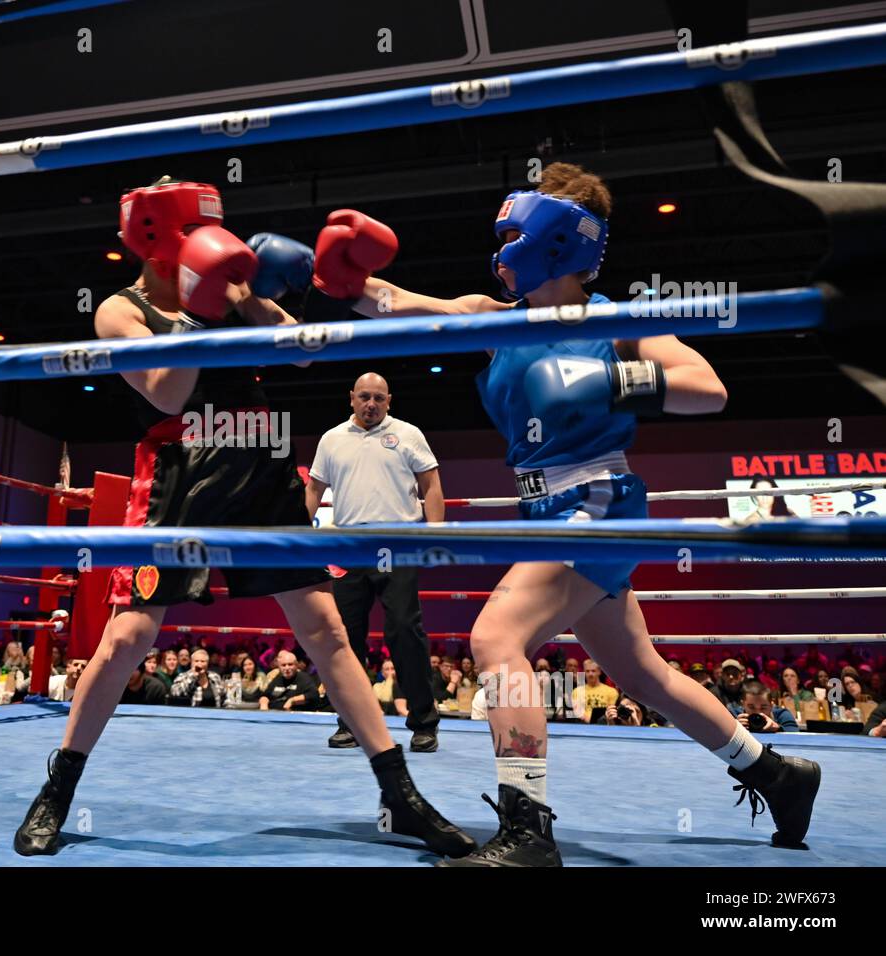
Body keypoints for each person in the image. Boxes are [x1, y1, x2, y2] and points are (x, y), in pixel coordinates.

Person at [309, 162, 820, 865]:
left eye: (514, 231)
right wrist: (345, 281)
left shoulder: (615, 322)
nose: (502, 247)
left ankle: (528, 831)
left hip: (599, 500)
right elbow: (400, 303)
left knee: (495, 639)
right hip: (545, 507)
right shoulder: (494, 321)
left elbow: (709, 388)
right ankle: (775, 772)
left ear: (557, 241)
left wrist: (612, 377)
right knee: (640, 673)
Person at [14, 178, 472, 860]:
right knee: (127, 639)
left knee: (324, 628)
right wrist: (199, 312)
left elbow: (302, 343)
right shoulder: (120, 310)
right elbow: (168, 391)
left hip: (259, 456)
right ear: (154, 235)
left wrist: (268, 289)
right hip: (180, 470)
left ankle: (399, 796)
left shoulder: (230, 287)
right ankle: (56, 791)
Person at [306, 371, 444, 753]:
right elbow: (314, 489)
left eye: (378, 398)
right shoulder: (331, 439)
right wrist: (302, 540)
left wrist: (436, 536)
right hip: (350, 543)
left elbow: (431, 486)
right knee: (345, 637)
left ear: (389, 400)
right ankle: (350, 722)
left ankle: (424, 723)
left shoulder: (408, 434)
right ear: (351, 398)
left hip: (397, 541)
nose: (371, 404)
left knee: (404, 629)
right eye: (364, 397)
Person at [730, 680, 798, 733]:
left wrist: (778, 728)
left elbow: (796, 735)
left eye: (763, 707)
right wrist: (734, 727)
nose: (758, 712)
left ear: (772, 705)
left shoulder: (781, 714)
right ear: (743, 704)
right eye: (751, 707)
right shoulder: (734, 714)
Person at [573, 659, 619, 723]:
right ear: (584, 672)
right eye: (587, 671)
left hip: (605, 726)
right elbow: (578, 712)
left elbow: (611, 712)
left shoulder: (611, 691)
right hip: (584, 726)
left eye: (593, 671)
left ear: (599, 672)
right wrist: (592, 722)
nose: (590, 674)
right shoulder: (577, 691)